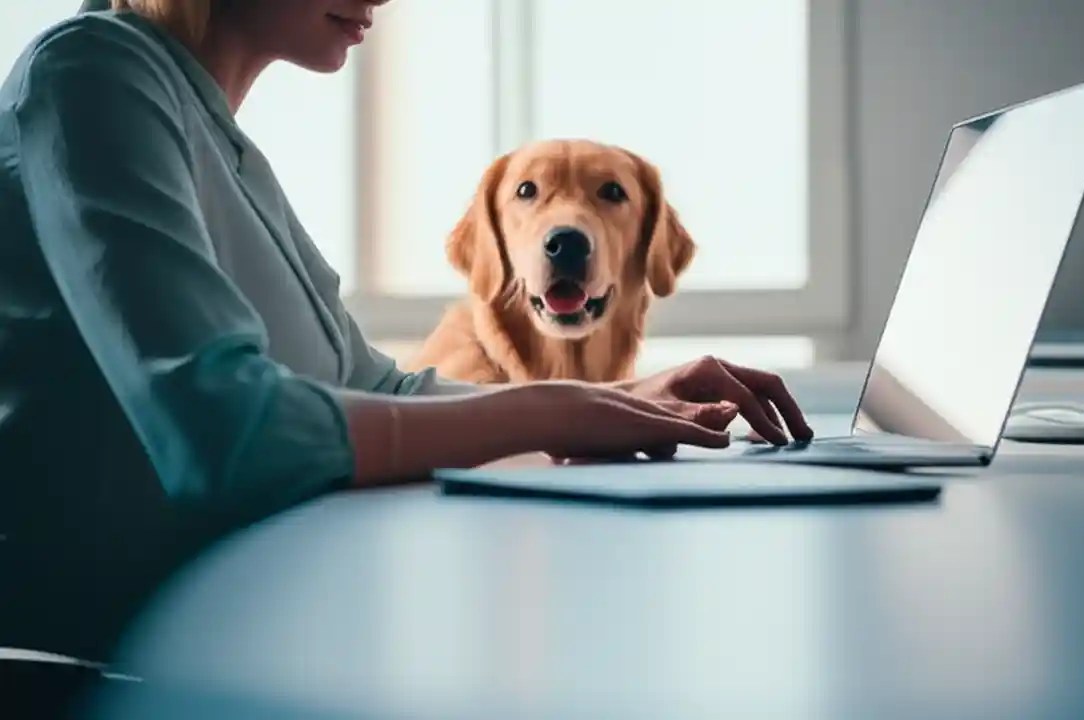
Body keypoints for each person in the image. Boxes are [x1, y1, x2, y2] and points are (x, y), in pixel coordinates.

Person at [0, 0, 812, 661]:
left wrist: (625, 400)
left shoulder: (213, 132)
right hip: (127, 649)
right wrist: (553, 413)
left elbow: (377, 388)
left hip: (244, 613)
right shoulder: (91, 72)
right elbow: (222, 427)